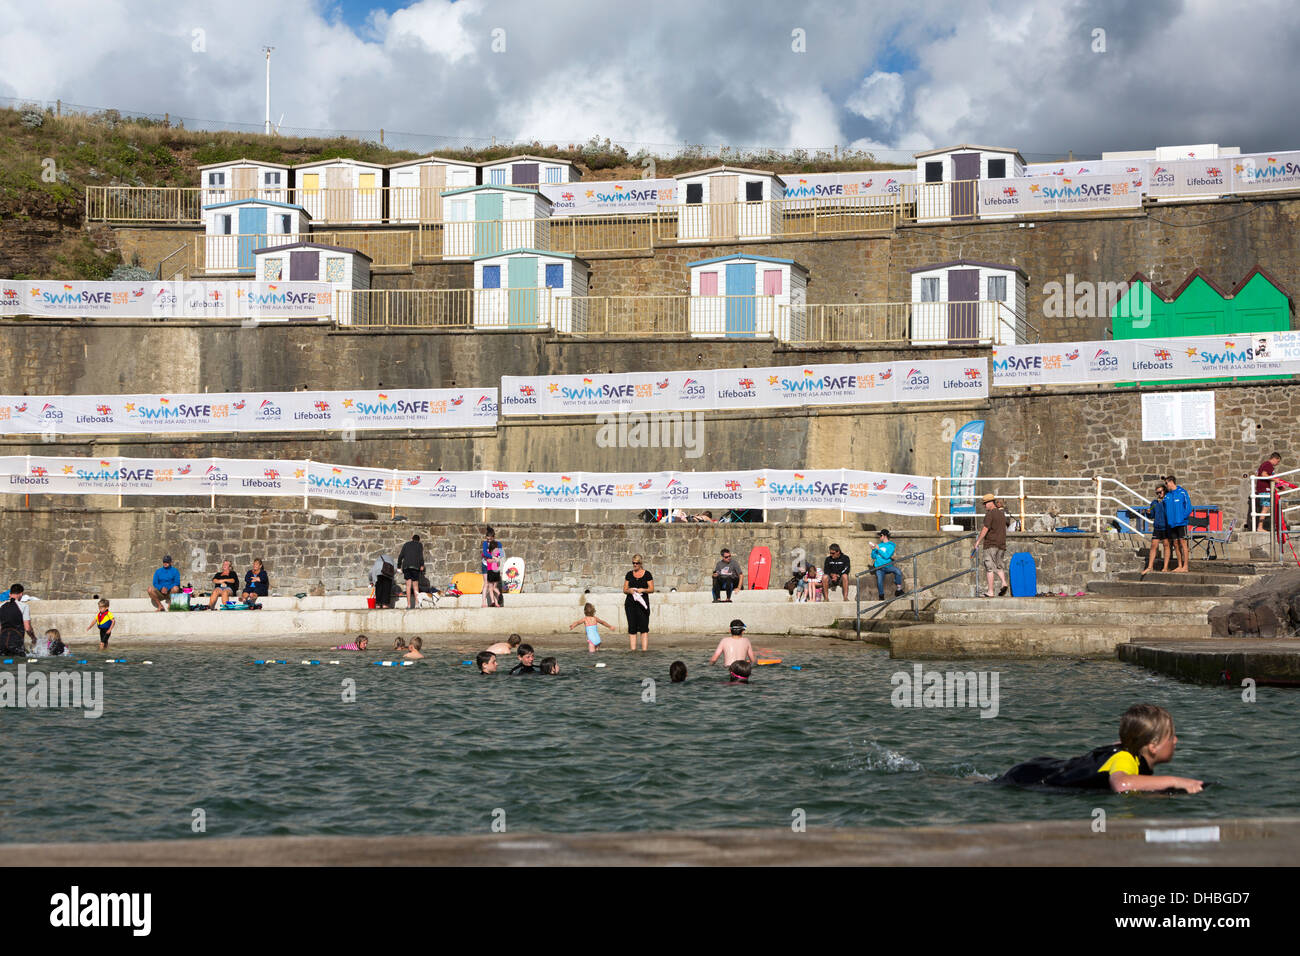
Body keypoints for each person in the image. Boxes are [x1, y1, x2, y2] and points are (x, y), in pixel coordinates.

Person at [994, 704, 1202, 794]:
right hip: (1031, 777)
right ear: (1153, 746)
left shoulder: (1130, 749)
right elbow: (1122, 784)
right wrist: (1175, 781)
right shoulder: (1126, 759)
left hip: (1040, 767)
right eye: (1170, 736)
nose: (1175, 740)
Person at [972, 493, 1009, 597]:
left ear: (990, 503)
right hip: (1001, 544)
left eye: (985, 504)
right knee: (999, 565)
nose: (984, 506)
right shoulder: (1001, 513)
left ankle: (990, 591)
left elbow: (985, 529)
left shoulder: (990, 514)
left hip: (991, 544)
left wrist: (978, 541)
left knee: (989, 568)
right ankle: (1004, 582)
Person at [623, 554, 654, 652]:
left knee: (644, 628)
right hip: (630, 604)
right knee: (632, 627)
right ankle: (633, 651)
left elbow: (652, 589)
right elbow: (624, 589)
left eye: (637, 563)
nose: (635, 565)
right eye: (633, 563)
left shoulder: (647, 574)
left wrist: (643, 590)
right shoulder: (629, 574)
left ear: (641, 563)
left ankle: (644, 651)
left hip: (642, 605)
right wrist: (630, 591)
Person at [1140, 485, 1173, 577]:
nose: (1159, 494)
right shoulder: (1154, 503)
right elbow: (1151, 515)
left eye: (1160, 492)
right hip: (1157, 527)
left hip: (1166, 527)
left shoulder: (1168, 501)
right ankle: (1150, 567)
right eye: (1157, 493)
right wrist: (1148, 513)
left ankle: (1165, 567)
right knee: (1153, 545)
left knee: (1166, 545)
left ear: (1164, 491)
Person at [1164, 475, 1192, 573]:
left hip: (1181, 523)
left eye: (1166, 483)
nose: (1165, 485)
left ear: (1171, 482)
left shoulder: (1182, 492)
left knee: (1183, 543)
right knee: (1175, 544)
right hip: (1171, 524)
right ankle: (1179, 565)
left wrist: (1182, 518)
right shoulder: (1167, 496)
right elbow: (1163, 509)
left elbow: (1189, 507)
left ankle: (1186, 566)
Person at [871, 530, 905, 601]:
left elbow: (887, 556)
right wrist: (873, 550)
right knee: (879, 581)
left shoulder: (891, 546)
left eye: (881, 535)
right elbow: (873, 557)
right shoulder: (879, 545)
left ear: (884, 536)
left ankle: (899, 590)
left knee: (898, 571)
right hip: (879, 567)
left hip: (887, 566)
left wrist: (878, 549)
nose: (879, 537)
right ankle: (881, 596)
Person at [1254, 452, 1282, 531]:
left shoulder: (1264, 464)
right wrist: (1275, 479)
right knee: (1265, 508)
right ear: (1275, 459)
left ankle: (1260, 526)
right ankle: (1260, 527)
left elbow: (1260, 474)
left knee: (1265, 508)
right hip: (1265, 489)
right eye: (1278, 461)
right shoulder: (1268, 465)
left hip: (1263, 489)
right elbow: (1264, 474)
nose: (1277, 463)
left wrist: (1278, 486)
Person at [397, 533, 425, 610]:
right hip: (415, 567)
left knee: (408, 586)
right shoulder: (419, 545)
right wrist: (422, 565)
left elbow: (400, 556)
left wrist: (399, 566)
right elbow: (420, 556)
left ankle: (409, 605)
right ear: (419, 540)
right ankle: (417, 604)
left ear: (412, 538)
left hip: (406, 567)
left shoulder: (406, 544)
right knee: (415, 586)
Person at [481, 527, 505, 607]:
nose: (488, 541)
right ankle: (484, 602)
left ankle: (496, 602)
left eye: (490, 539)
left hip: (494, 566)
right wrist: (492, 556)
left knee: (493, 585)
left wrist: (497, 558)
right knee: (486, 584)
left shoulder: (498, 544)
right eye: (487, 539)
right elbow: (484, 553)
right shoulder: (485, 543)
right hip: (485, 565)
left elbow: (501, 554)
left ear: (493, 537)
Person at [0, 586, 27, 655]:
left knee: (4, 664)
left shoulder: (1, 606)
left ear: (9, 594)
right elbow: (27, 628)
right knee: (21, 664)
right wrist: (33, 638)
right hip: (16, 642)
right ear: (21, 594)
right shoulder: (24, 606)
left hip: (2, 642)